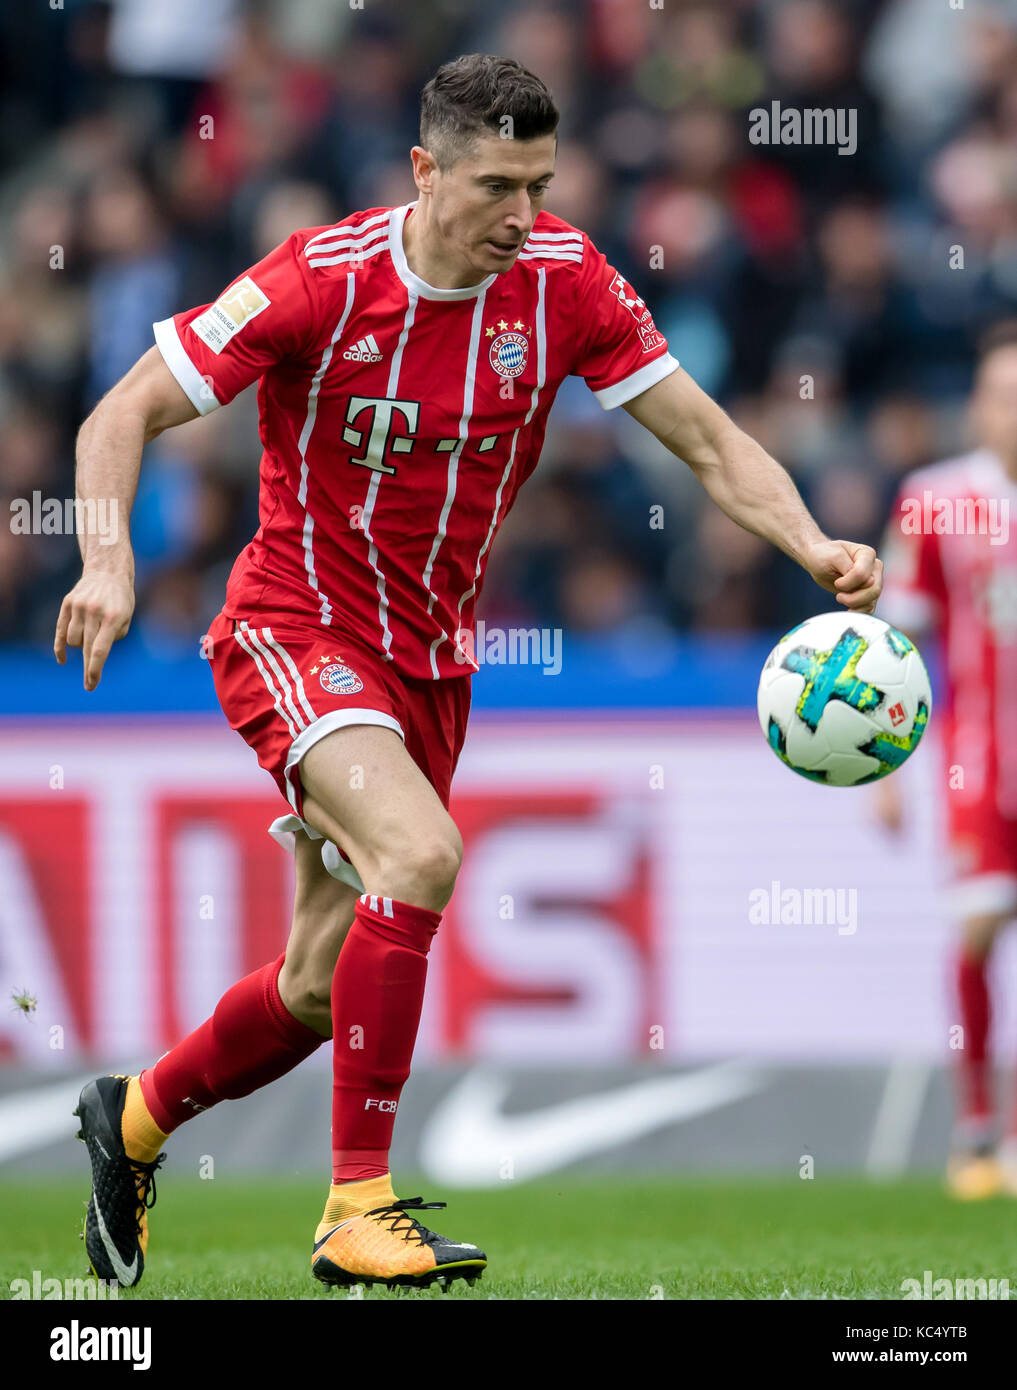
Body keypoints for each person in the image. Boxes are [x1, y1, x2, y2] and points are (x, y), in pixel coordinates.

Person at [56, 53, 882, 1291]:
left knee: (317, 986)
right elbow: (116, 414)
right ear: (424, 170)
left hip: (432, 665)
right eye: (497, 185)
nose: (522, 214)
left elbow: (711, 443)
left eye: (539, 184)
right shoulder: (317, 280)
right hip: (297, 626)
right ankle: (357, 1207)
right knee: (423, 855)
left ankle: (131, 1118)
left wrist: (812, 540)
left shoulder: (567, 282)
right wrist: (107, 563)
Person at [877, 320, 1017, 1200]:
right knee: (977, 927)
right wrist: (887, 768)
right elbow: (898, 644)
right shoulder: (934, 499)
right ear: (977, 406)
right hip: (980, 762)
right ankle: (974, 1125)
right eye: (1003, 396)